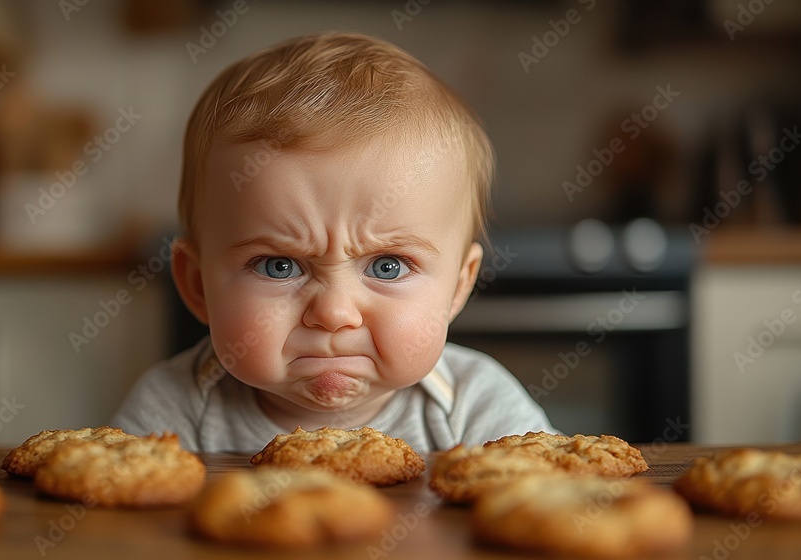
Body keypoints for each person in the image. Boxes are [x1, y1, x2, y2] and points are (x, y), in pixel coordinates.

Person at [112, 31, 555, 452]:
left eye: (388, 266)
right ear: (196, 284)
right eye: (278, 266)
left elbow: (550, 510)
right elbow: (110, 525)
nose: (334, 314)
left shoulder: (476, 408)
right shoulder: (172, 410)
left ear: (458, 287)